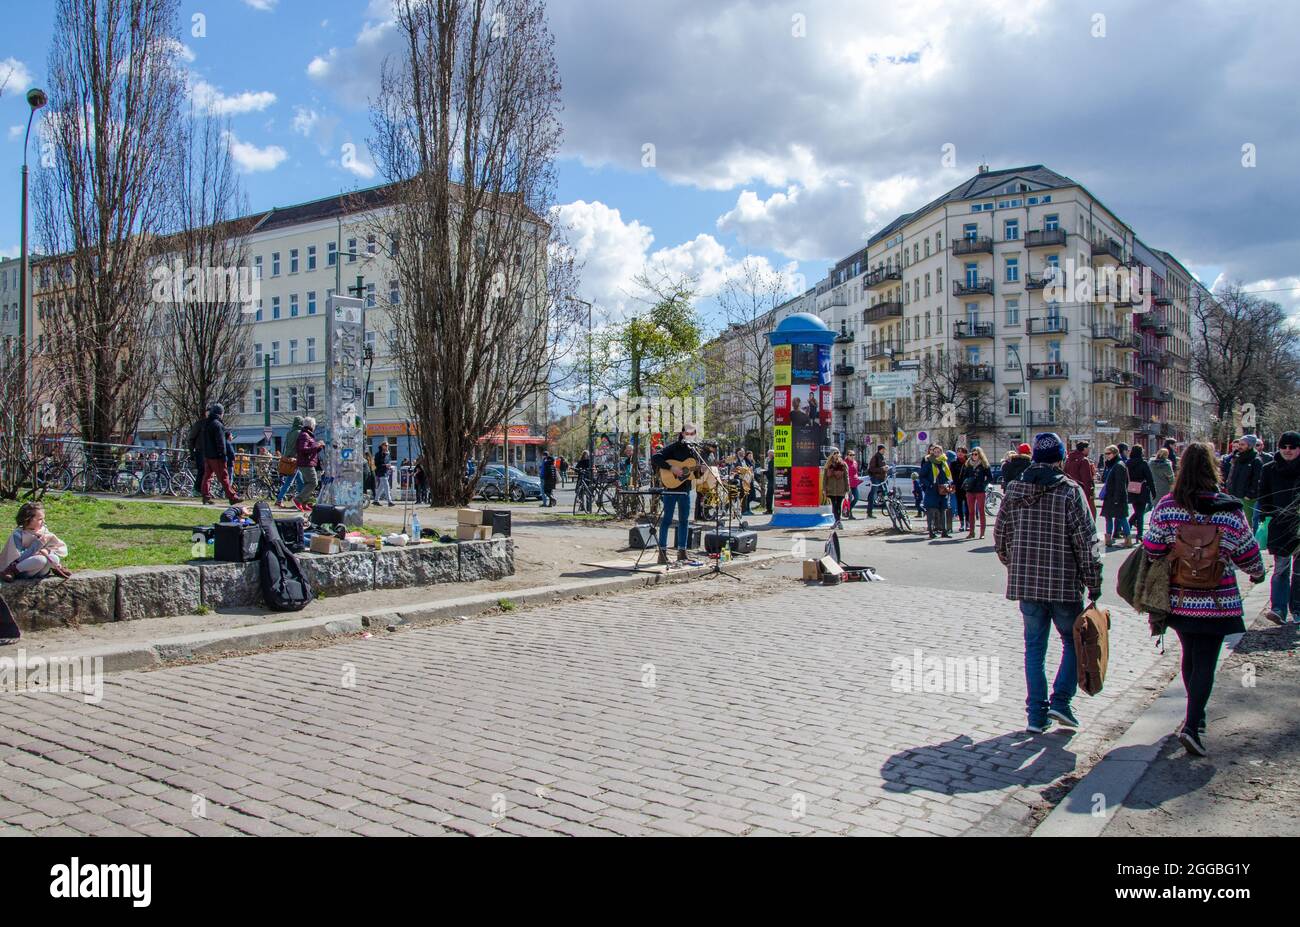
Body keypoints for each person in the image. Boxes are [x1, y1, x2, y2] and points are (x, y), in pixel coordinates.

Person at [1141, 441, 1265, 756]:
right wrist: (1257, 574)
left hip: (1180, 597)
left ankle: (1195, 715)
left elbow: (1152, 548)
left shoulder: (1168, 506)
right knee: (1206, 661)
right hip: (1218, 600)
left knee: (1190, 655)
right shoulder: (1230, 509)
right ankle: (1193, 725)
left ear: (1182, 469)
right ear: (1214, 469)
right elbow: (1248, 553)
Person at [994, 432, 1102, 734]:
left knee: (1034, 648)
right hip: (1064, 582)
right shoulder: (1069, 491)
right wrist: (1094, 581)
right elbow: (1088, 542)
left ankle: (1036, 715)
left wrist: (1014, 564)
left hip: (1027, 584)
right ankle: (1061, 701)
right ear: (1061, 458)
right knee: (1073, 642)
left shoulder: (1014, 490)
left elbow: (1000, 536)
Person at [1257, 430, 1300, 624]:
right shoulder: (1269, 469)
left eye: (1292, 447)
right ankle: (1279, 609)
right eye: (1284, 446)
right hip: (1279, 525)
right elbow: (1264, 495)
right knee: (1281, 568)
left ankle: (1297, 609)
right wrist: (1266, 516)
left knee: (1299, 571)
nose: (1287, 450)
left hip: (1299, 525)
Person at [651, 425, 699, 565]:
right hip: (670, 490)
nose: (691, 435)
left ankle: (682, 553)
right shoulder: (674, 447)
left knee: (684, 521)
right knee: (667, 520)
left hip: (685, 490)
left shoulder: (694, 450)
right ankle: (662, 554)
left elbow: (694, 474)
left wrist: (701, 470)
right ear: (682, 433)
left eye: (693, 433)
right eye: (688, 432)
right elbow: (656, 457)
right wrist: (672, 468)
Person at [0, 502, 72, 581]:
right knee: (40, 560)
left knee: (54, 558)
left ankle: (56, 567)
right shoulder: (18, 534)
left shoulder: (44, 531)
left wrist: (47, 550)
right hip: (24, 570)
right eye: (40, 519)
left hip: (42, 571)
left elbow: (56, 546)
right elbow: (17, 558)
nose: (44, 521)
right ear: (27, 519)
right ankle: (12, 571)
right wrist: (38, 544)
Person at [198, 404, 241, 506]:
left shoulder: (206, 424)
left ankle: (205, 496)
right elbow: (220, 441)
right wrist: (223, 455)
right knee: (224, 477)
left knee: (207, 476)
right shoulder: (218, 425)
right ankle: (232, 497)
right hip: (217, 456)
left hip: (207, 454)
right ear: (220, 413)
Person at [1225, 434, 1264, 529]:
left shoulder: (1256, 460)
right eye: (1239, 444)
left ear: (1250, 446)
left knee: (1246, 524)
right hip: (1234, 495)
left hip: (1247, 499)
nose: (1239, 446)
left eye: (1243, 444)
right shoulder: (1237, 458)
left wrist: (1249, 495)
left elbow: (1257, 480)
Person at [918, 444, 953, 539]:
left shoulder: (944, 463)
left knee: (943, 510)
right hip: (932, 491)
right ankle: (931, 532)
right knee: (931, 511)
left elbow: (947, 476)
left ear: (942, 452)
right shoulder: (929, 463)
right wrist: (929, 484)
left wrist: (947, 483)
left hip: (943, 490)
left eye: (939, 451)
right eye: (935, 452)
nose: (937, 453)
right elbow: (922, 476)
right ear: (932, 453)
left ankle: (944, 531)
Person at [1100, 444, 1132, 547]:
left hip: (1116, 496)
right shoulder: (1112, 464)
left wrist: (1117, 498)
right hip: (1110, 496)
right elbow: (1104, 479)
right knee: (1108, 517)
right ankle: (1108, 539)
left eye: (1108, 453)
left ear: (1114, 453)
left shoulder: (1119, 465)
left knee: (1121, 517)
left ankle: (1128, 540)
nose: (1106, 455)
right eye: (1105, 454)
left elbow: (1120, 484)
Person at [1125, 444, 1157, 538]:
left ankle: (1130, 524)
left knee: (1137, 511)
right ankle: (1139, 533)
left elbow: (1125, 478)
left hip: (1132, 489)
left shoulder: (1128, 463)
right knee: (1140, 512)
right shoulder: (1143, 463)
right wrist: (1153, 491)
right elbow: (1149, 478)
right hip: (1142, 489)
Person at [962, 447, 993, 540]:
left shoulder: (984, 464)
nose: (974, 456)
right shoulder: (968, 464)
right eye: (972, 454)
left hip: (980, 490)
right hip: (970, 490)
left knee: (981, 511)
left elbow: (990, 477)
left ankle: (982, 533)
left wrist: (983, 484)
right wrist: (967, 482)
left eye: (976, 454)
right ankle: (971, 532)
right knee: (971, 512)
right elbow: (964, 476)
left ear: (980, 454)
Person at [295, 416, 324, 510]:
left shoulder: (307, 435)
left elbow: (311, 450)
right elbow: (303, 449)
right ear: (311, 425)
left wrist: (319, 447)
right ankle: (298, 499)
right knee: (313, 482)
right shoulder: (305, 435)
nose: (314, 427)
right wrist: (317, 445)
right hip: (306, 463)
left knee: (307, 483)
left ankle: (304, 503)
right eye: (314, 425)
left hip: (306, 462)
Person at [1064, 440, 1097, 520]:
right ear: (1084, 449)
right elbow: (1087, 479)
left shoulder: (1068, 460)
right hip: (1082, 490)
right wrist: (1089, 494)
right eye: (1088, 448)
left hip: (1070, 490)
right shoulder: (1084, 460)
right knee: (1091, 513)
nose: (1089, 450)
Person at [276, 416, 304, 507]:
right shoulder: (300, 433)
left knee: (300, 481)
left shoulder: (289, 432)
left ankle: (301, 500)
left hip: (287, 458)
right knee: (289, 482)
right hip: (294, 460)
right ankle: (279, 500)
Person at [822, 450, 849, 530]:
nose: (836, 454)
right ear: (831, 455)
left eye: (838, 453)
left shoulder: (843, 464)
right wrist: (824, 489)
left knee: (839, 506)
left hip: (841, 488)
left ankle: (837, 522)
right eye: (835, 453)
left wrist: (847, 488)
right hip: (831, 489)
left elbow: (846, 477)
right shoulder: (828, 465)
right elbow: (825, 478)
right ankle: (838, 521)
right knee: (834, 505)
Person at [866, 444, 888, 517]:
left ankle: (889, 509)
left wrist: (886, 469)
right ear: (880, 450)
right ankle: (869, 512)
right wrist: (882, 469)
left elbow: (883, 467)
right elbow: (871, 469)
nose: (884, 451)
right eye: (883, 449)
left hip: (883, 478)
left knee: (886, 493)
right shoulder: (875, 457)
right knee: (873, 494)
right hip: (876, 478)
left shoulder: (883, 457)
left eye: (884, 449)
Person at [952, 447, 969, 533]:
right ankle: (961, 523)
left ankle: (968, 523)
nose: (960, 453)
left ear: (965, 453)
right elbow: (952, 475)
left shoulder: (969, 462)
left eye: (962, 452)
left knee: (967, 505)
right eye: (958, 452)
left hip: (967, 487)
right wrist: (953, 484)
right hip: (958, 487)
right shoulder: (954, 463)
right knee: (959, 505)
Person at [374, 442, 395, 506]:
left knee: (381, 487)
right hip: (381, 472)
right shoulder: (378, 454)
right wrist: (385, 465)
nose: (387, 446)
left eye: (387, 445)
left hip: (386, 472)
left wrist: (390, 466)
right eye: (385, 445)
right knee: (387, 486)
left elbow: (388, 462)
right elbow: (377, 464)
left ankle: (376, 500)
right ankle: (389, 501)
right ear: (382, 446)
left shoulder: (387, 453)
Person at [844, 449, 862, 519]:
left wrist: (857, 478)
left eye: (853, 455)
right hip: (848, 483)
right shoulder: (844, 463)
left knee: (857, 498)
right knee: (849, 499)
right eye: (851, 455)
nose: (852, 456)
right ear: (847, 456)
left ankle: (848, 511)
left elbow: (856, 472)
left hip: (854, 483)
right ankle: (849, 514)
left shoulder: (855, 462)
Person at [764, 448, 776, 514]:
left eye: (768, 454)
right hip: (774, 480)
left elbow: (770, 473)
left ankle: (769, 510)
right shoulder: (775, 461)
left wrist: (764, 472)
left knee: (769, 496)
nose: (768, 456)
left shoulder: (771, 462)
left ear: (771, 455)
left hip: (771, 481)